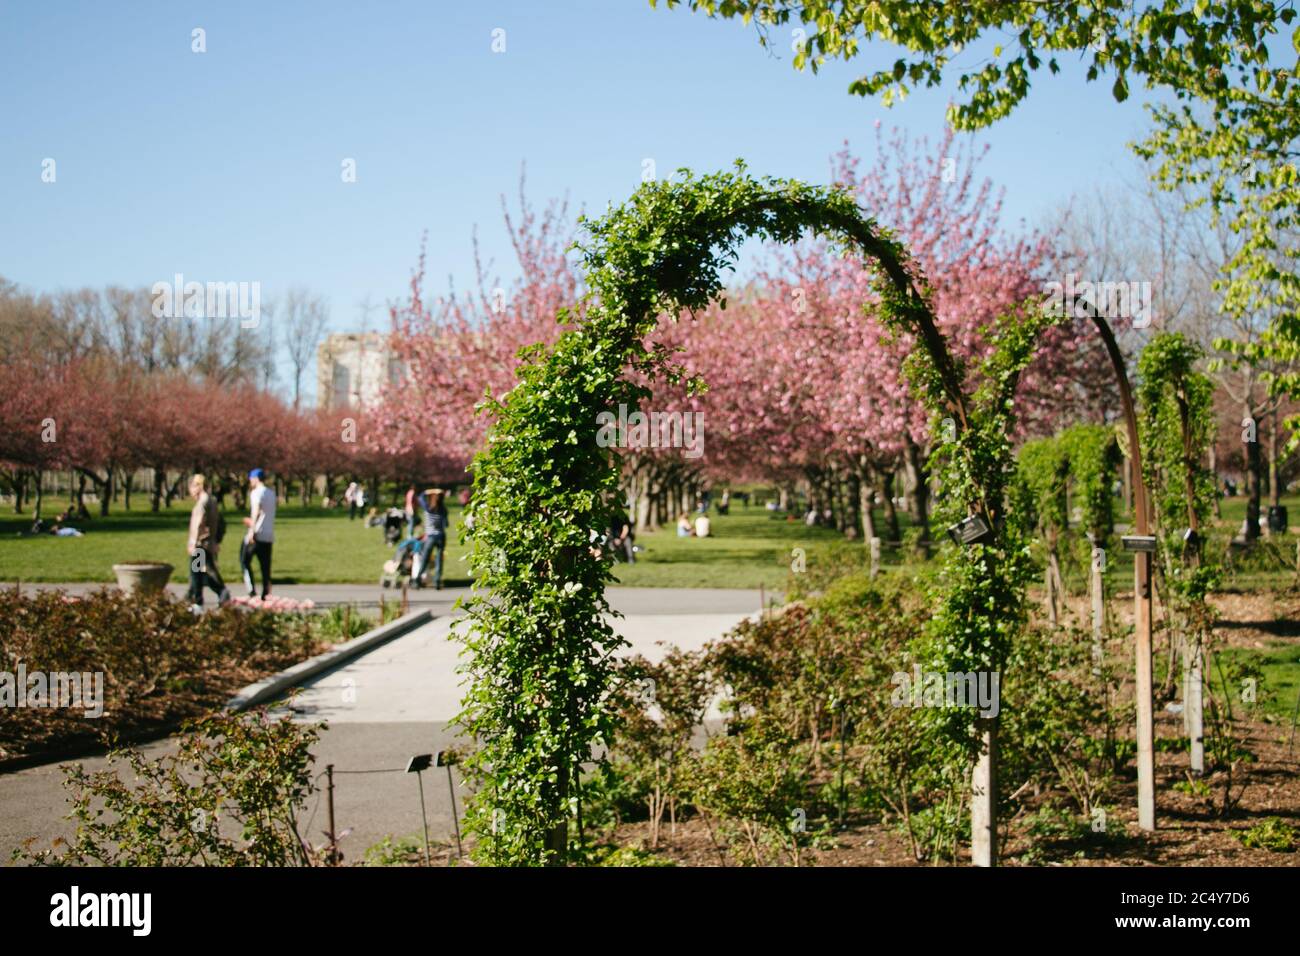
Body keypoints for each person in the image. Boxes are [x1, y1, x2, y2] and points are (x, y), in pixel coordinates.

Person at [187, 474, 231, 609]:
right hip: (209, 543)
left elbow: (199, 524)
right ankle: (195, 597)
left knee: (197, 573)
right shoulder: (211, 501)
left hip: (200, 545)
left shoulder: (202, 503)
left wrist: (193, 542)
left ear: (197, 486)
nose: (191, 492)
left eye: (192, 487)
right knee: (201, 572)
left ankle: (201, 600)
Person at [241, 468, 276, 599]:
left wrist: (251, 530)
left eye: (250, 479)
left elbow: (256, 511)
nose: (250, 481)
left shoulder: (256, 493)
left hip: (257, 534)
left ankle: (251, 590)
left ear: (255, 479)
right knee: (265, 566)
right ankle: (266, 592)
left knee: (244, 560)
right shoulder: (271, 493)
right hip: (268, 534)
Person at [412, 488, 449, 589]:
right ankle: (437, 580)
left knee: (425, 559)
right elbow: (446, 524)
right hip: (441, 536)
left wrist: (428, 491)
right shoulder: (443, 510)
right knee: (439, 559)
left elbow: (420, 497)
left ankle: (418, 580)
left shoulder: (428, 508)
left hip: (430, 537)